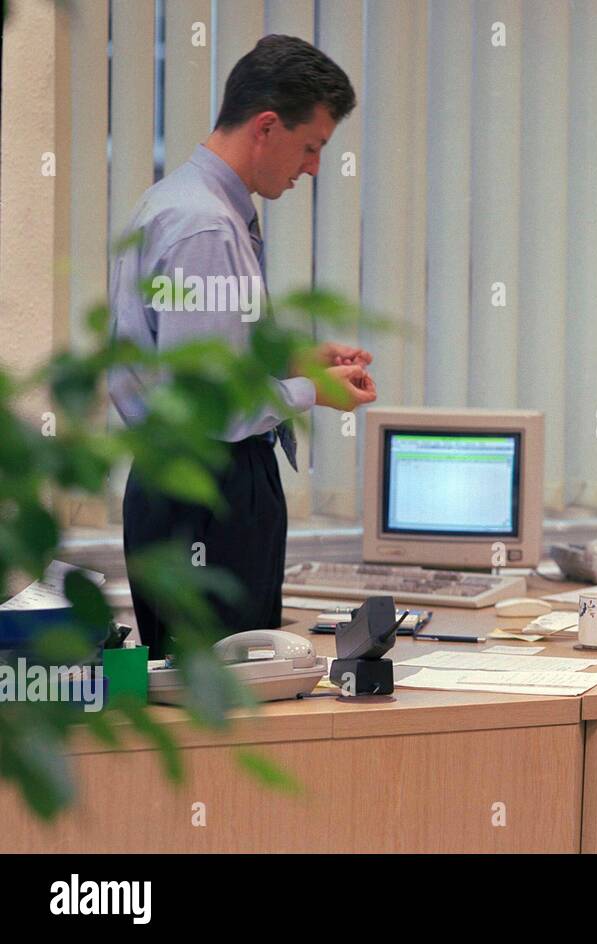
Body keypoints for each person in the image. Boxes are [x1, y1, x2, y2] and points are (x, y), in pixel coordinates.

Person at [109, 35, 377, 658]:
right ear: (265, 126)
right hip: (207, 489)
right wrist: (315, 392)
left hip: (191, 488)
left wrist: (291, 361)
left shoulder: (181, 202)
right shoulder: (205, 225)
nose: (312, 167)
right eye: (311, 147)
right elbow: (210, 405)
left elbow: (197, 352)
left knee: (219, 691)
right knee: (224, 705)